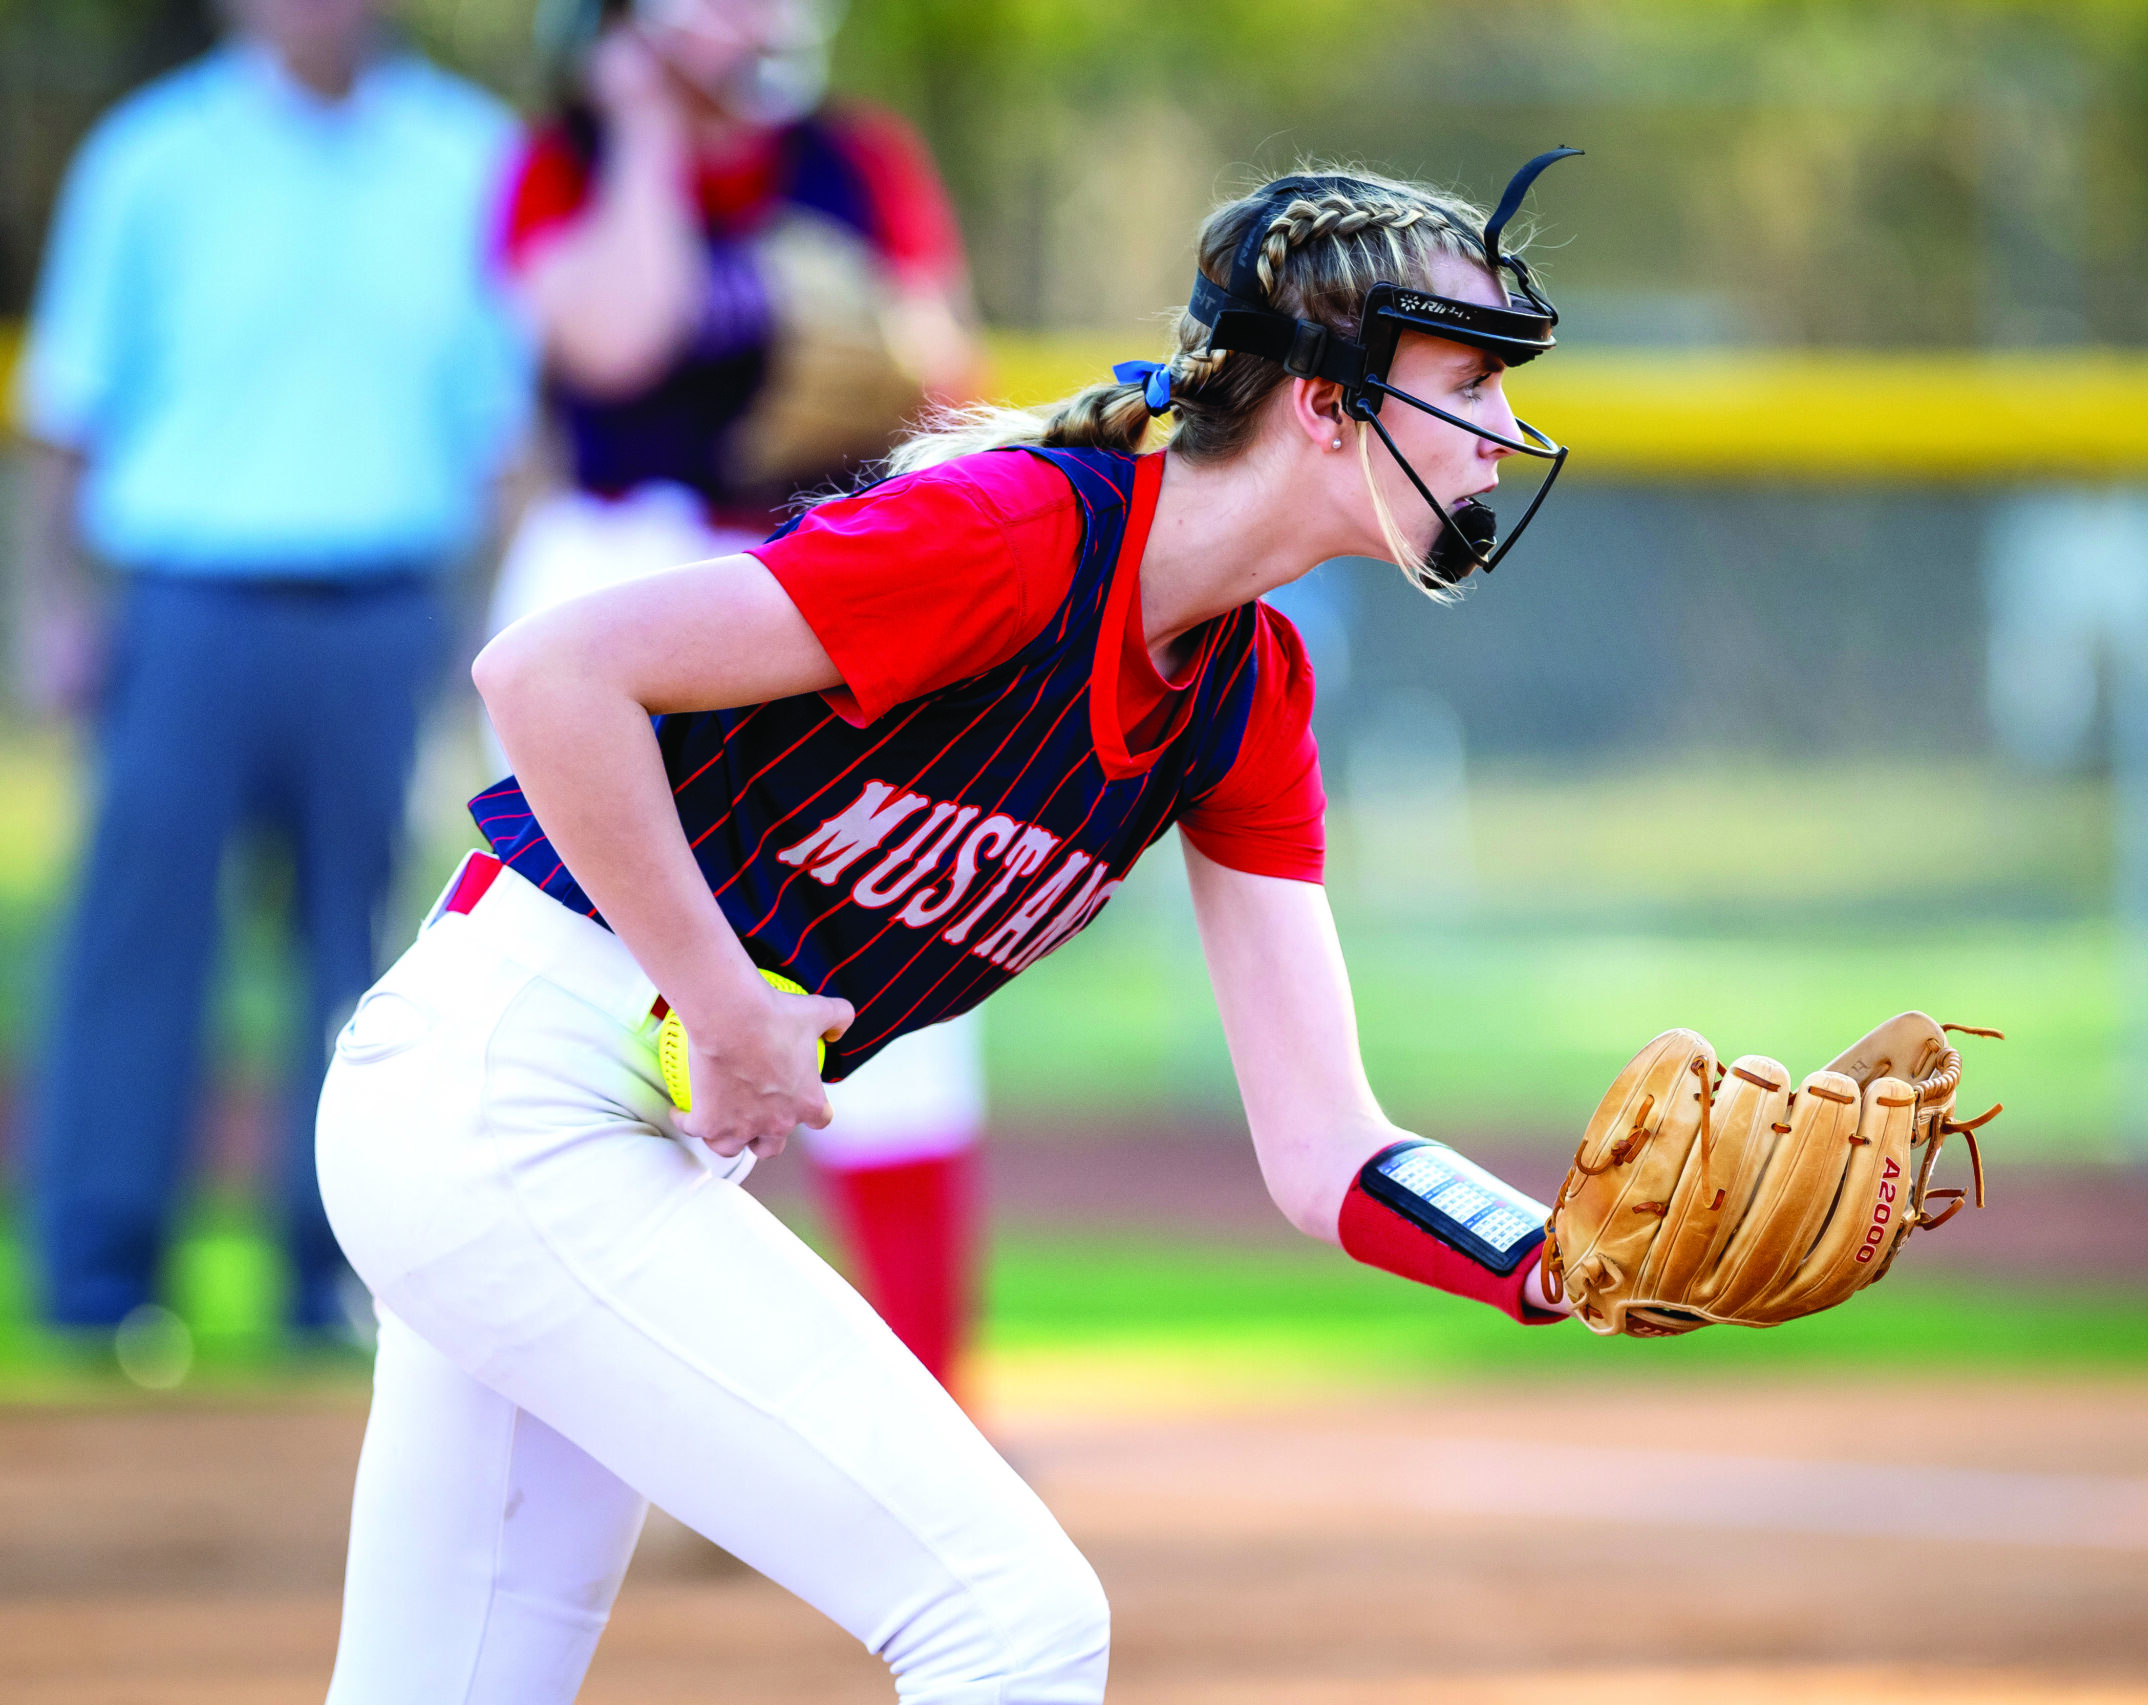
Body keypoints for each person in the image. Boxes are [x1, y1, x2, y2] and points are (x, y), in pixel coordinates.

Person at [315, 148, 1578, 1702]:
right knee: (1015, 1618)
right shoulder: (1017, 537)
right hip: (507, 1087)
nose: (1508, 433)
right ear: (1326, 403)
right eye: (1475, 381)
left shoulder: (1250, 697)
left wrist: (1564, 1258)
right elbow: (548, 674)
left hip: (573, 1135)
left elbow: (1326, 1149)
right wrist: (717, 997)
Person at [9, 0, 525, 1342]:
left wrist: (489, 623)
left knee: (371, 962)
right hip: (184, 606)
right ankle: (103, 1277)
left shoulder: (473, 161)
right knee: (142, 946)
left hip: (387, 610)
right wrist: (62, 610)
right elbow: (71, 411)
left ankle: (335, 1271)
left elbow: (506, 430)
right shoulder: (153, 160)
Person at [490, 0, 987, 1387]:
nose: (753, 14)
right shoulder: (568, 159)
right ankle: (633, 1392)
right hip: (613, 568)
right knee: (607, 977)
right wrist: (645, 129)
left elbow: (944, 378)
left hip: (807, 564)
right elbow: (613, 345)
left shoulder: (854, 158)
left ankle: (931, 1392)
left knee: (889, 941)